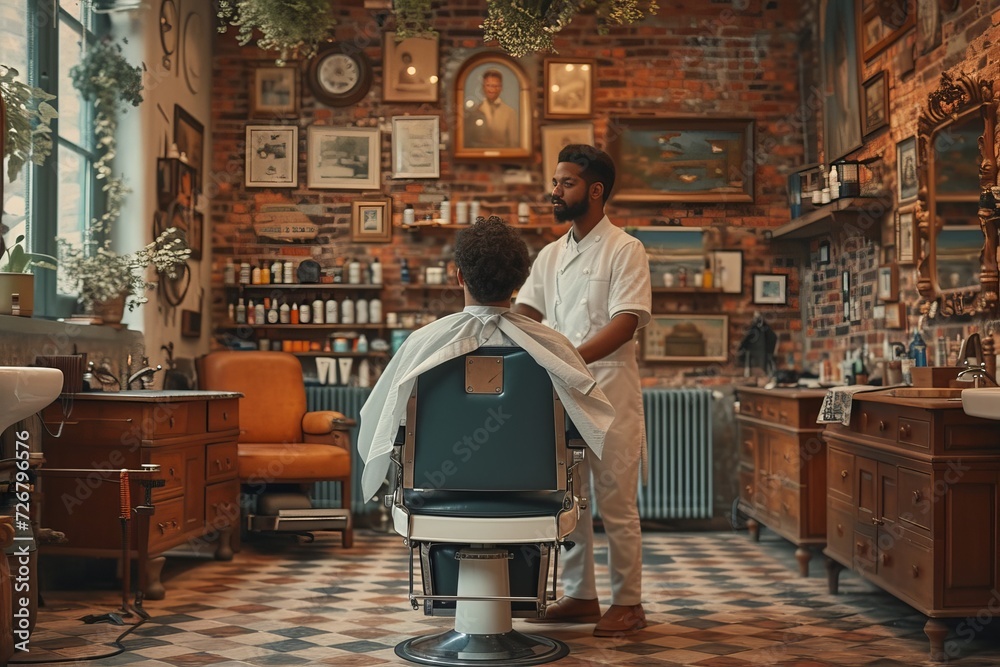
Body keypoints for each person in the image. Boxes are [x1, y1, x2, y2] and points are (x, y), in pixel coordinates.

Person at [356, 216, 615, 507]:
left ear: (459, 277)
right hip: (535, 495)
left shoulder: (422, 345)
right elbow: (589, 422)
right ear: (519, 281)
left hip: (434, 492)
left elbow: (381, 424)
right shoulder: (554, 348)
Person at [514, 144, 652, 637]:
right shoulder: (551, 254)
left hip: (610, 389)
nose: (554, 191)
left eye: (565, 182)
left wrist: (566, 358)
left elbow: (626, 322)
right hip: (561, 392)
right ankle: (581, 596)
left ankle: (629, 603)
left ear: (595, 191)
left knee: (616, 503)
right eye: (555, 181)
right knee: (570, 500)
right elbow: (526, 310)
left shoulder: (625, 249)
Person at [465, 69, 517, 148]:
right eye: (488, 85)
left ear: (501, 87)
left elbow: (513, 143)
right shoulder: (474, 111)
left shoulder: (510, 112)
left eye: (496, 86)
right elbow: (468, 141)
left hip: (502, 154)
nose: (492, 89)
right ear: (483, 87)